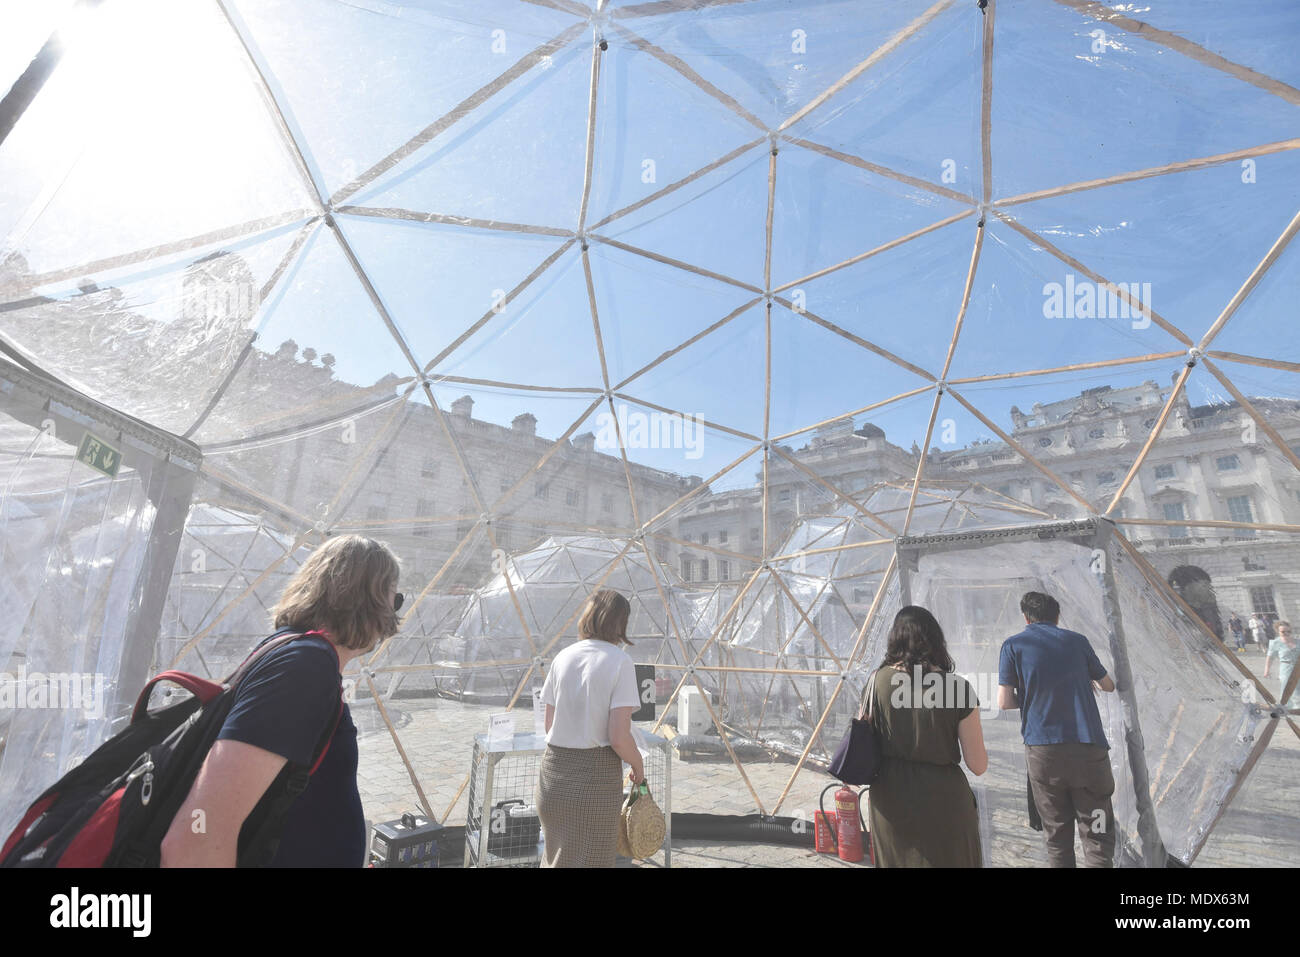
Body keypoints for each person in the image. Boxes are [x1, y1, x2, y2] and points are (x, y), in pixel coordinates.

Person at [161, 534, 402, 867]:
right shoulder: (304, 666)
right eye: (395, 599)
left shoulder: (295, 654)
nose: (395, 614)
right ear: (369, 599)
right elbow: (198, 835)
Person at [998, 591, 1116, 868]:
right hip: (1088, 749)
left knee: (1057, 834)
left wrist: (1032, 698)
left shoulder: (1013, 645)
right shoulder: (1077, 641)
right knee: (1097, 832)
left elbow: (1004, 702)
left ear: (1026, 618)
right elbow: (1107, 684)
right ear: (1057, 616)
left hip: (1043, 753)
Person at [867, 605, 987, 868]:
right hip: (944, 801)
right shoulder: (958, 688)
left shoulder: (876, 681)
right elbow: (978, 765)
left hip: (889, 798)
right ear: (935, 639)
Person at [536, 589, 644, 867]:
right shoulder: (620, 661)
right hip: (594, 779)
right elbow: (619, 737)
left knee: (556, 858)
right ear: (620, 622)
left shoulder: (562, 657)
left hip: (552, 775)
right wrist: (638, 765)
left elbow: (549, 725)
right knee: (591, 860)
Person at [1263, 620, 1298, 711]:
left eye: (1288, 631)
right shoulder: (1275, 643)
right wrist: (1267, 670)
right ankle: (1289, 708)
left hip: (1298, 667)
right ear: (1278, 632)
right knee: (1287, 688)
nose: (1286, 633)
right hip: (1286, 668)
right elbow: (1270, 657)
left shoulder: (1298, 641)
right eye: (1283, 632)